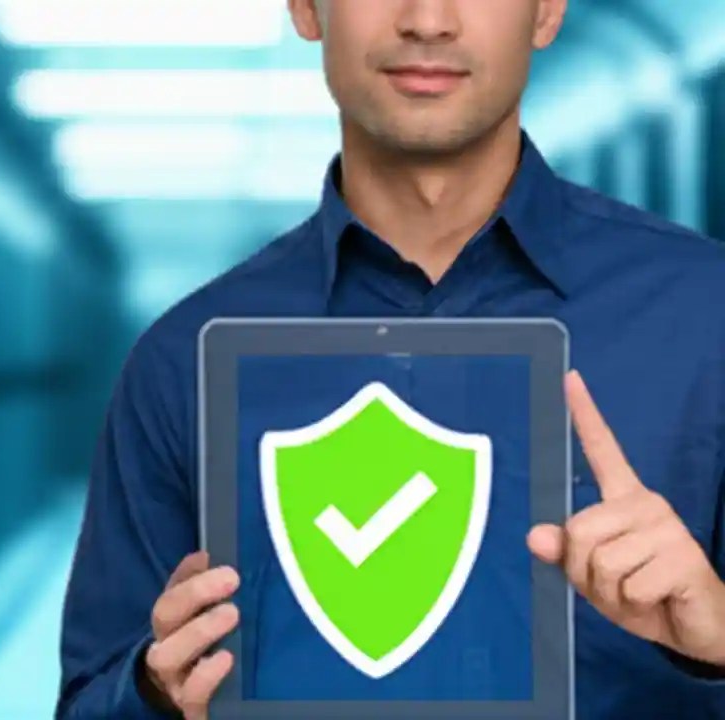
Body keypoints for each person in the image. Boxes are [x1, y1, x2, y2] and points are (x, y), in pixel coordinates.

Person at [55, 0, 725, 718]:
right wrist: (155, 693)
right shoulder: (183, 358)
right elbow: (91, 699)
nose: (429, 19)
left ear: (547, 10)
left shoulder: (706, 317)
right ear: (308, 9)